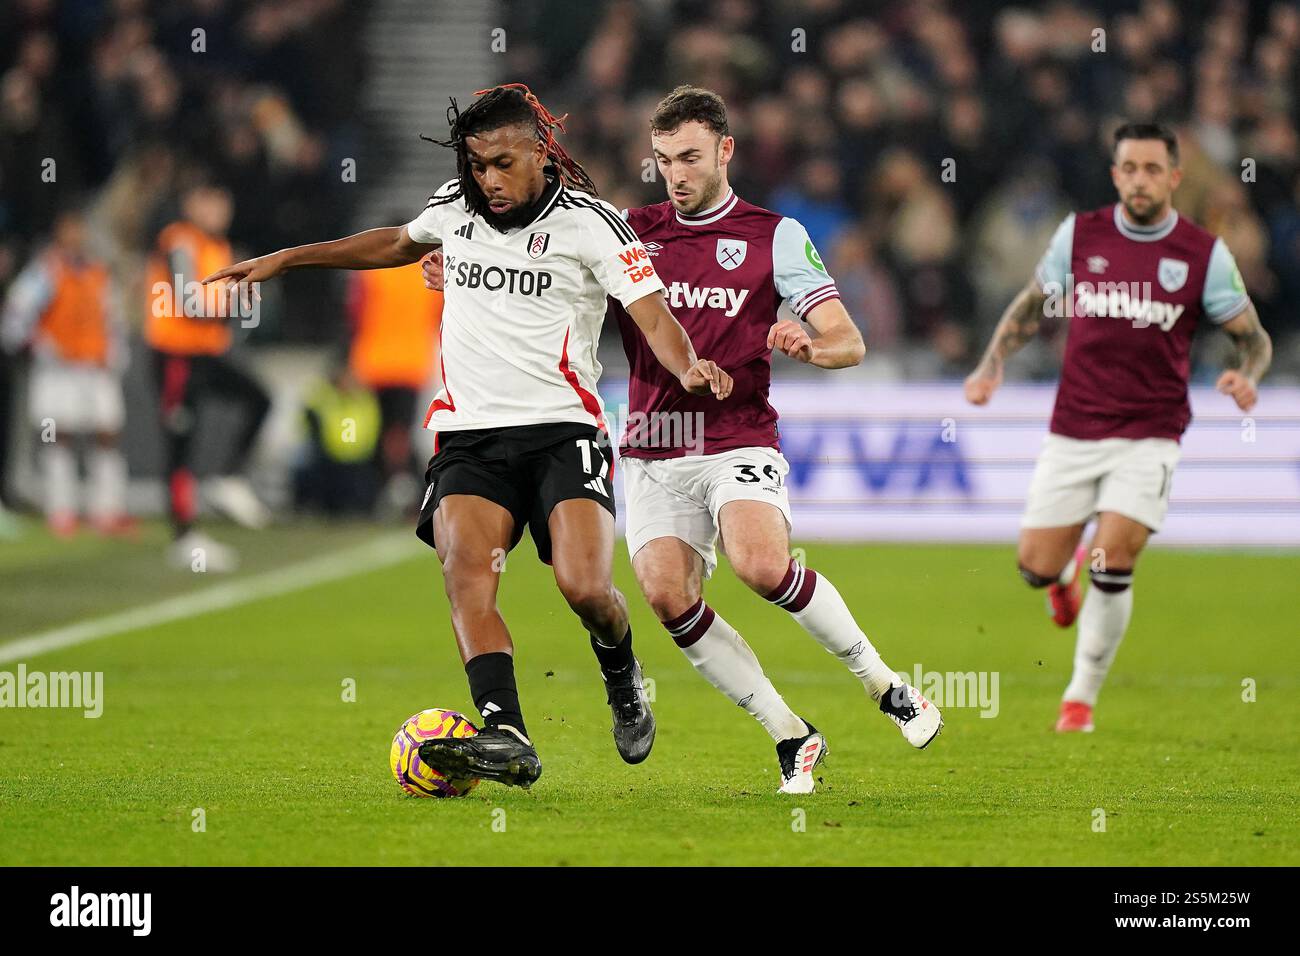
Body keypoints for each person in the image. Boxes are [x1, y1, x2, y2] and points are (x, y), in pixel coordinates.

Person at [204, 84, 733, 789]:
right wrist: (287, 259)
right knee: (466, 574)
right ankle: (506, 730)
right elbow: (396, 241)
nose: (488, 179)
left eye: (502, 163)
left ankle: (622, 670)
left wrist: (688, 367)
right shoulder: (456, 210)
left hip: (561, 431)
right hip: (471, 437)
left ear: (541, 153)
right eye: (477, 165)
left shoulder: (593, 225)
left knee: (585, 587)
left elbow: (654, 315)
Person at [426, 86, 944, 796]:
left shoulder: (775, 236)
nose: (676, 172)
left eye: (691, 157)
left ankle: (886, 686)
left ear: (726, 151)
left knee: (762, 566)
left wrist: (811, 348)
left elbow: (848, 342)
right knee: (668, 597)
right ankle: (791, 735)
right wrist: (454, 268)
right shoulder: (627, 231)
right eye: (664, 159)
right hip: (651, 448)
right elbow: (538, 279)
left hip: (737, 439)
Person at [963, 122, 1272, 733]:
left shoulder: (1202, 255)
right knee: (1034, 568)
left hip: (1150, 433)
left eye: (1153, 169)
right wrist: (990, 364)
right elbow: (1032, 304)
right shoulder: (1081, 235)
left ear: (1175, 178)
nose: (1140, 180)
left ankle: (1080, 699)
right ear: (1115, 175)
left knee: (1113, 559)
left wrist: (1249, 375)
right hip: (1074, 428)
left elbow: (1252, 337)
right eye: (1129, 168)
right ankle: (1061, 574)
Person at [146, 182, 272, 570]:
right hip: (176, 355)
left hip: (204, 353)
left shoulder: (219, 246)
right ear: (193, 202)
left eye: (224, 200)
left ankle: (229, 477)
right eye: (212, 199)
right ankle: (184, 536)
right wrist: (237, 301)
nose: (220, 208)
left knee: (259, 399)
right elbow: (188, 300)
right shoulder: (180, 239)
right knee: (181, 443)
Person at [1, 207, 134, 537]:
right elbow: (15, 316)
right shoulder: (45, 272)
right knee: (59, 436)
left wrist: (117, 350)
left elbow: (112, 317)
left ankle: (107, 508)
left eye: (80, 228)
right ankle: (61, 508)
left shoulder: (97, 272)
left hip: (95, 365)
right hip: (60, 370)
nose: (76, 235)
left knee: (107, 433)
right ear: (59, 232)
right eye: (69, 228)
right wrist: (41, 345)